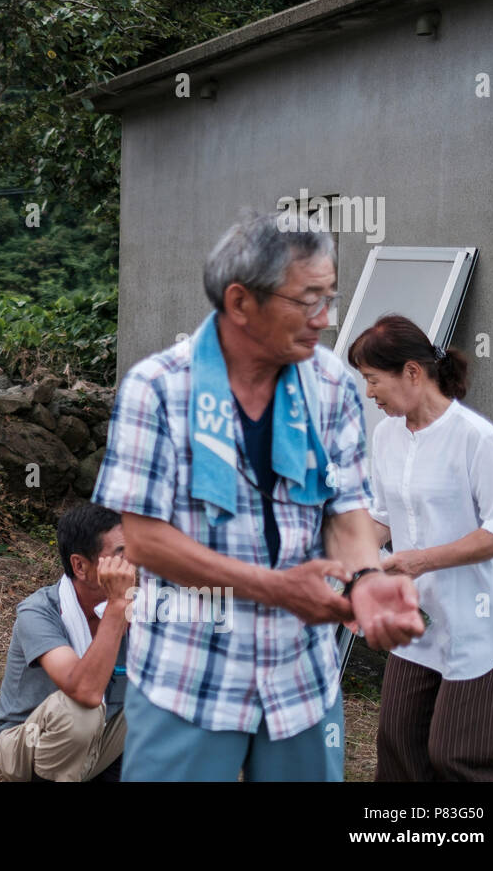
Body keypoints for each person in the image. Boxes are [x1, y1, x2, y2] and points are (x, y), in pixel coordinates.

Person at [94, 209, 424, 782]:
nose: (324, 318)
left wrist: (368, 580)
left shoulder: (331, 387)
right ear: (241, 302)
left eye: (330, 297)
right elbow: (146, 541)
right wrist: (276, 588)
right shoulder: (159, 389)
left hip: (301, 680)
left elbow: (344, 511)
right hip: (189, 678)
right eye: (308, 300)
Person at [349, 314, 493, 781]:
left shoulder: (475, 438)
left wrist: (423, 559)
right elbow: (382, 516)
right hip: (419, 617)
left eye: (373, 379)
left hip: (479, 620)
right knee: (398, 743)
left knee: (456, 756)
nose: (369, 393)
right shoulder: (385, 435)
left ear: (412, 372)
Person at [0, 503, 134, 782]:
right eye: (120, 555)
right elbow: (86, 692)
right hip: (26, 744)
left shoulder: (140, 602)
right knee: (81, 713)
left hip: (101, 742)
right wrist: (117, 607)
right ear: (80, 565)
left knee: (160, 697)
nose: (132, 565)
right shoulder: (38, 611)